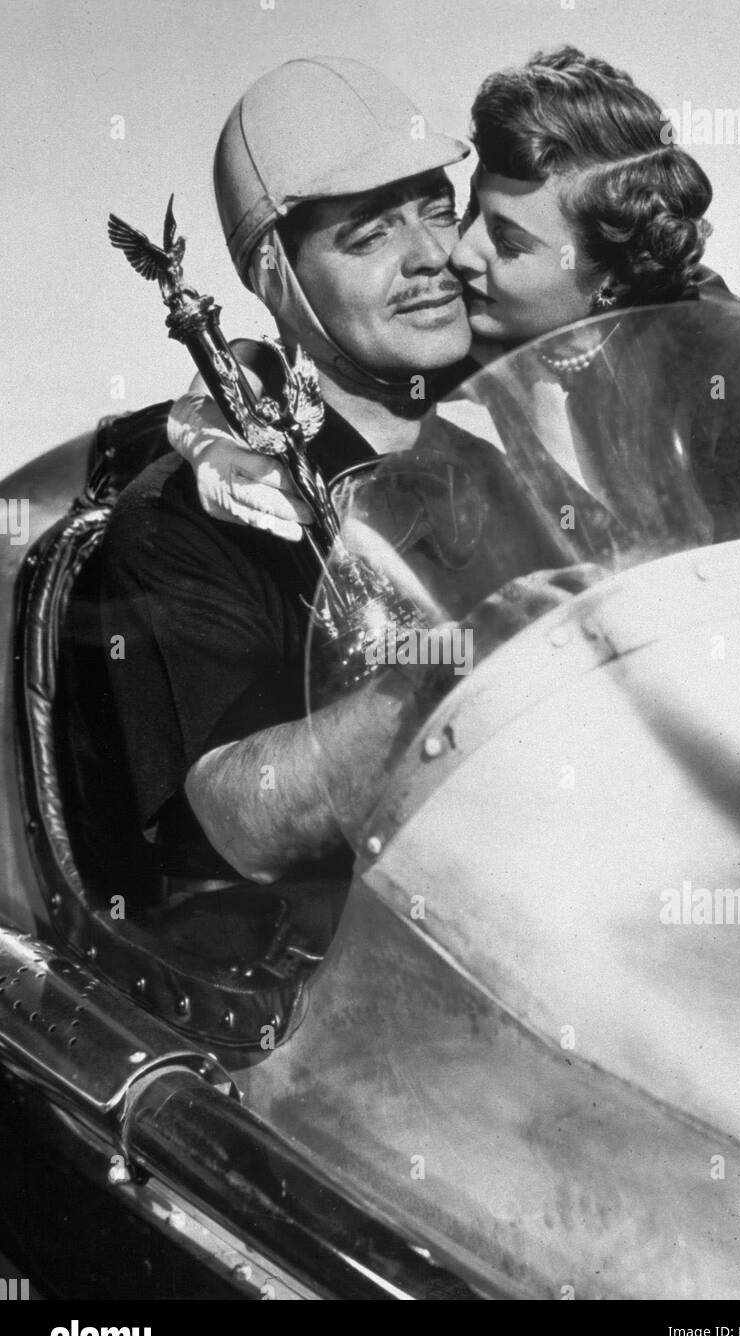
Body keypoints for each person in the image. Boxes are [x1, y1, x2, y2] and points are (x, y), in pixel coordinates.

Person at [97, 58, 492, 898]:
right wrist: (469, 682)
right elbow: (244, 818)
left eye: (437, 209)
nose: (431, 256)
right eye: (370, 233)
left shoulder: (517, 447)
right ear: (276, 273)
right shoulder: (188, 514)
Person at [448, 46, 740, 541]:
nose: (462, 251)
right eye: (470, 210)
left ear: (611, 274)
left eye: (509, 242)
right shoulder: (455, 327)